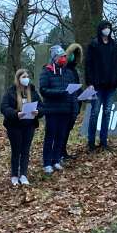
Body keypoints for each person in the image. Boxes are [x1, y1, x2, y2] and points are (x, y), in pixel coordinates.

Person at [85, 20, 117, 152]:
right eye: (105, 27)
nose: (107, 29)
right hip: (97, 86)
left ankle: (103, 141)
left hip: (111, 85)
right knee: (94, 113)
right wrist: (89, 83)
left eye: (109, 27)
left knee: (107, 113)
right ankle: (91, 142)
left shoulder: (115, 45)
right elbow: (88, 65)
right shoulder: (93, 45)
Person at [38, 45, 78, 174]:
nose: (63, 59)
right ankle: (47, 162)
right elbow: (43, 90)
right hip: (52, 110)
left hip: (65, 110)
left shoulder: (68, 73)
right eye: (61, 57)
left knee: (61, 136)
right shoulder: (46, 71)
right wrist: (60, 92)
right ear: (55, 58)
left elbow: (73, 90)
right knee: (50, 137)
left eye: (65, 57)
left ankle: (56, 159)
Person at [0, 68, 40, 186]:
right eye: (23, 77)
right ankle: (14, 175)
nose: (26, 79)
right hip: (15, 126)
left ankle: (23, 174)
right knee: (16, 151)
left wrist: (38, 111)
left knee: (25, 151)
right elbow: (4, 107)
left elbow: (41, 105)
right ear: (18, 79)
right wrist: (16, 114)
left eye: (27, 76)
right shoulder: (10, 91)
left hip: (29, 125)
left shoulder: (32, 91)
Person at [62, 42, 84, 161]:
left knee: (68, 129)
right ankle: (60, 152)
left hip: (75, 103)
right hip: (66, 103)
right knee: (63, 129)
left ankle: (63, 151)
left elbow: (77, 86)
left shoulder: (74, 70)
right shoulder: (64, 69)